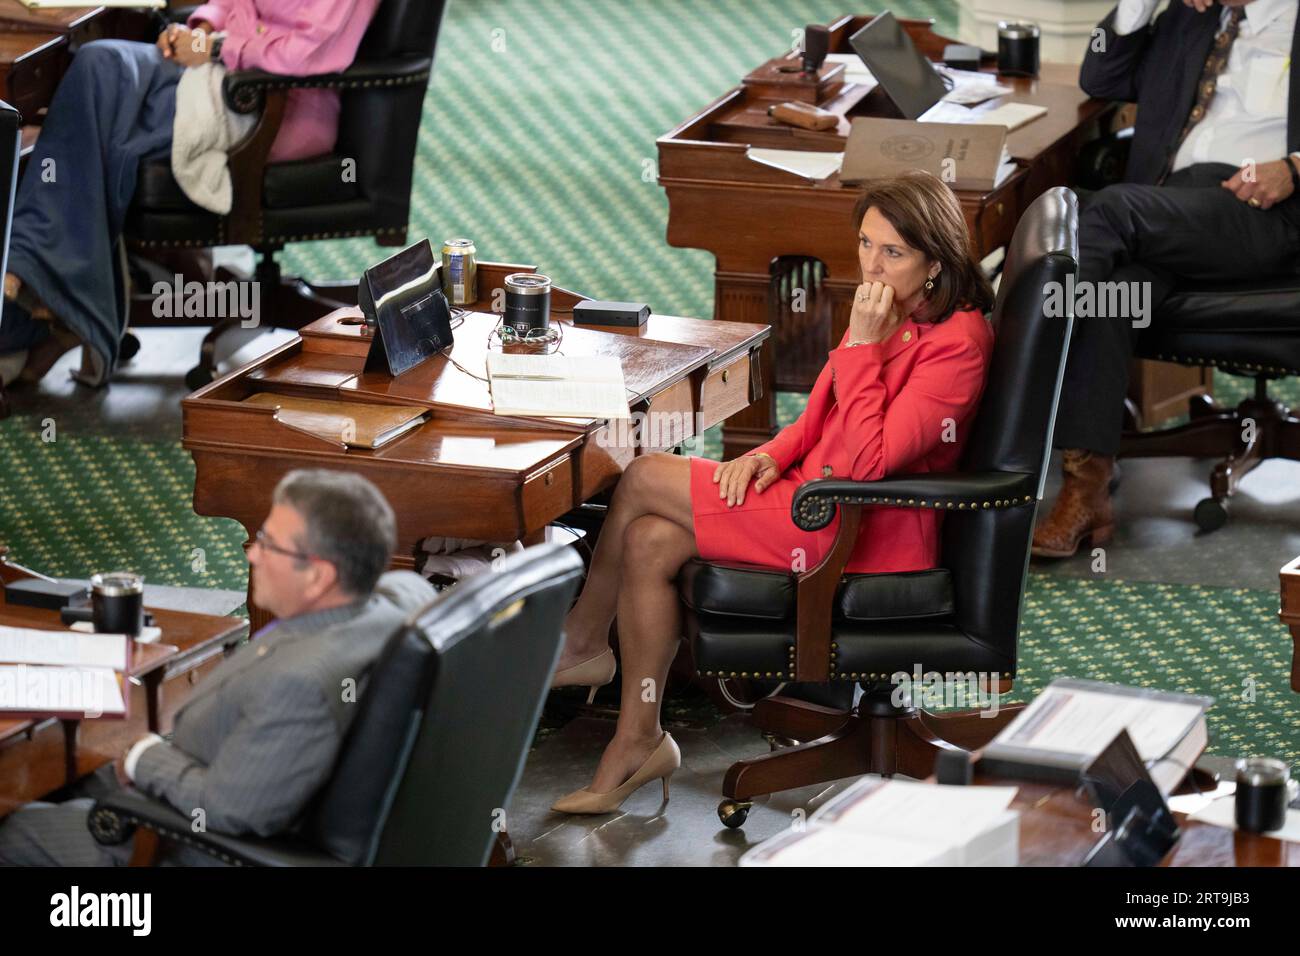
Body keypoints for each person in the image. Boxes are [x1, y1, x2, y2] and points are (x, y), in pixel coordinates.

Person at [549, 171, 997, 814]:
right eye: (866, 244)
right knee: (649, 539)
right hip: (809, 493)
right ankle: (637, 739)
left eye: (892, 252)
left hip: (852, 529)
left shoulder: (958, 347)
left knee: (646, 474)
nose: (871, 264)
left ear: (936, 261)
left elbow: (869, 464)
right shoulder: (888, 307)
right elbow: (823, 411)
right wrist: (768, 453)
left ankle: (585, 641)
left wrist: (864, 348)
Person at [0, 468, 436, 866]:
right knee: (66, 765)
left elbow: (228, 809)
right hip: (205, 766)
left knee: (14, 831)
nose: (252, 555)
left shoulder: (300, 685)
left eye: (269, 544)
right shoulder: (399, 599)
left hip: (174, 842)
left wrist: (144, 757)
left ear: (318, 575)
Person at [1033, 0, 1300, 557]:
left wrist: (1294, 166)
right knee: (1110, 295)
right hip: (1167, 212)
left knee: (1100, 215)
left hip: (1262, 213)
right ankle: (1087, 493)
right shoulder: (1191, 14)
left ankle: (1014, 405)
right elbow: (1099, 74)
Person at [0, 0, 382, 389]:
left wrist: (215, 48)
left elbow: (307, 52)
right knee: (100, 63)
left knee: (107, 123)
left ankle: (38, 285)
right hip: (219, 72)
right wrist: (199, 29)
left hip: (273, 101)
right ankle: (63, 300)